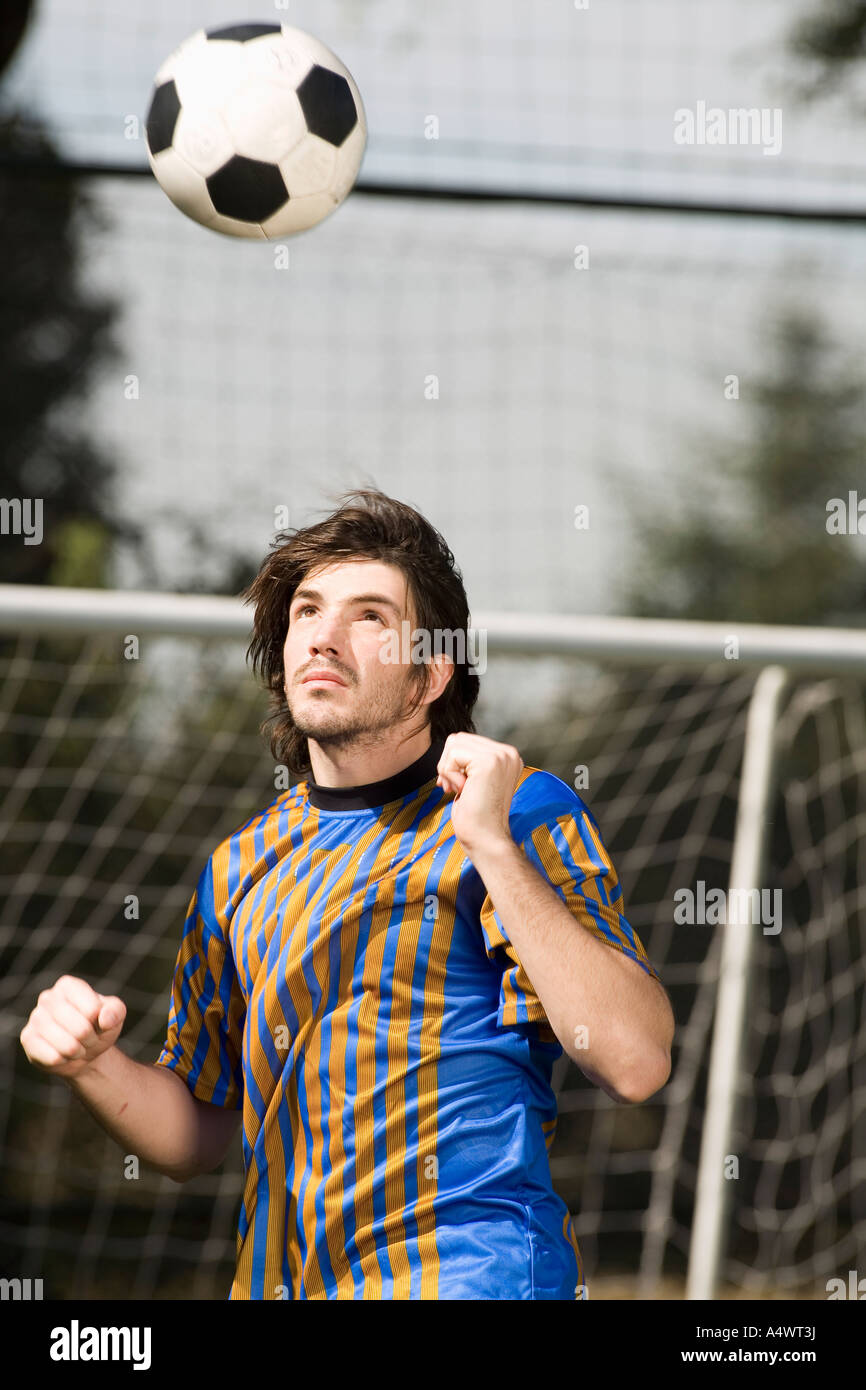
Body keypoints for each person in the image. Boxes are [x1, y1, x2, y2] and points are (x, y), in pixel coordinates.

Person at [20, 487, 674, 1300]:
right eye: (306, 611)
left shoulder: (515, 812)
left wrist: (492, 847)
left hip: (475, 1279)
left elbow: (635, 1059)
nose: (324, 636)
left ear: (429, 675)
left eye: (369, 616)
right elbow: (196, 1132)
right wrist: (93, 1065)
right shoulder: (241, 866)